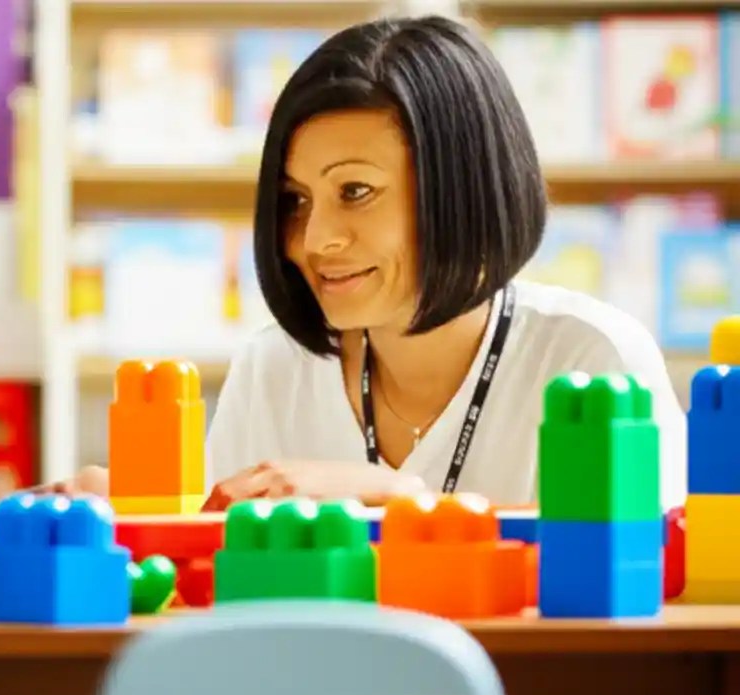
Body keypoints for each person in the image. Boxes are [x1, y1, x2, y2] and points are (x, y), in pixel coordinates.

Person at [69, 15, 687, 518]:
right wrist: (129, 519)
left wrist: (402, 503)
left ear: (463, 188)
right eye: (296, 202)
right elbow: (220, 578)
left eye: (355, 192)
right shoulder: (275, 368)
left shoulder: (593, 361)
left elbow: (648, 573)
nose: (315, 240)